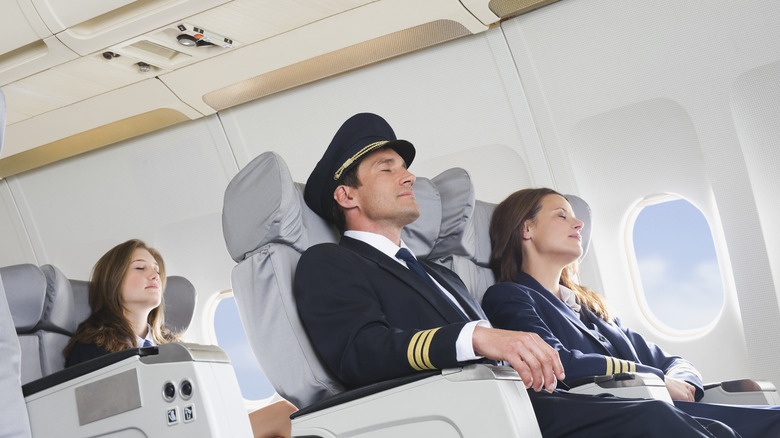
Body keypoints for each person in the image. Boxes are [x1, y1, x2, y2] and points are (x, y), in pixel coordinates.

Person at [294, 112, 740, 437]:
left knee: (712, 424)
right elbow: (359, 352)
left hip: (523, 398)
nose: (408, 176)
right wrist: (479, 338)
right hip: (465, 412)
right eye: (387, 168)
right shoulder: (328, 263)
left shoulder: (440, 275)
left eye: (405, 166)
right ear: (346, 194)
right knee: (654, 420)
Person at [482, 187, 780, 438]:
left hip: (668, 404)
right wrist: (657, 380)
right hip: (620, 411)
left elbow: (672, 361)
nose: (578, 224)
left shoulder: (591, 308)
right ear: (527, 229)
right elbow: (558, 362)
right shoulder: (510, 295)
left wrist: (683, 381)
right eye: (562, 215)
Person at [63, 239, 297, 438]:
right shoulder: (91, 348)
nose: (154, 274)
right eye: (140, 268)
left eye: (156, 270)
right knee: (283, 414)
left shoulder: (172, 347)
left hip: (193, 428)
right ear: (113, 280)